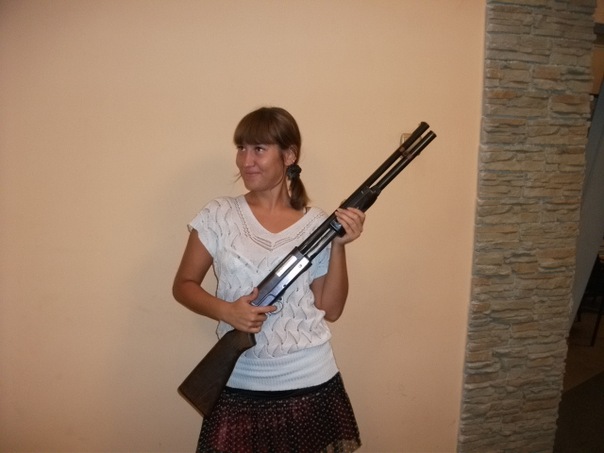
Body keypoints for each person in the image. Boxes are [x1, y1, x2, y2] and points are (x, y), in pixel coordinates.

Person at [173, 106, 365, 453]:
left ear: (289, 155)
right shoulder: (219, 214)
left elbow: (331, 309)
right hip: (240, 381)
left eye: (259, 149)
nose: (246, 161)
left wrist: (338, 245)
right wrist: (228, 311)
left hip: (311, 380)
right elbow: (184, 285)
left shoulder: (316, 224)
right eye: (241, 148)